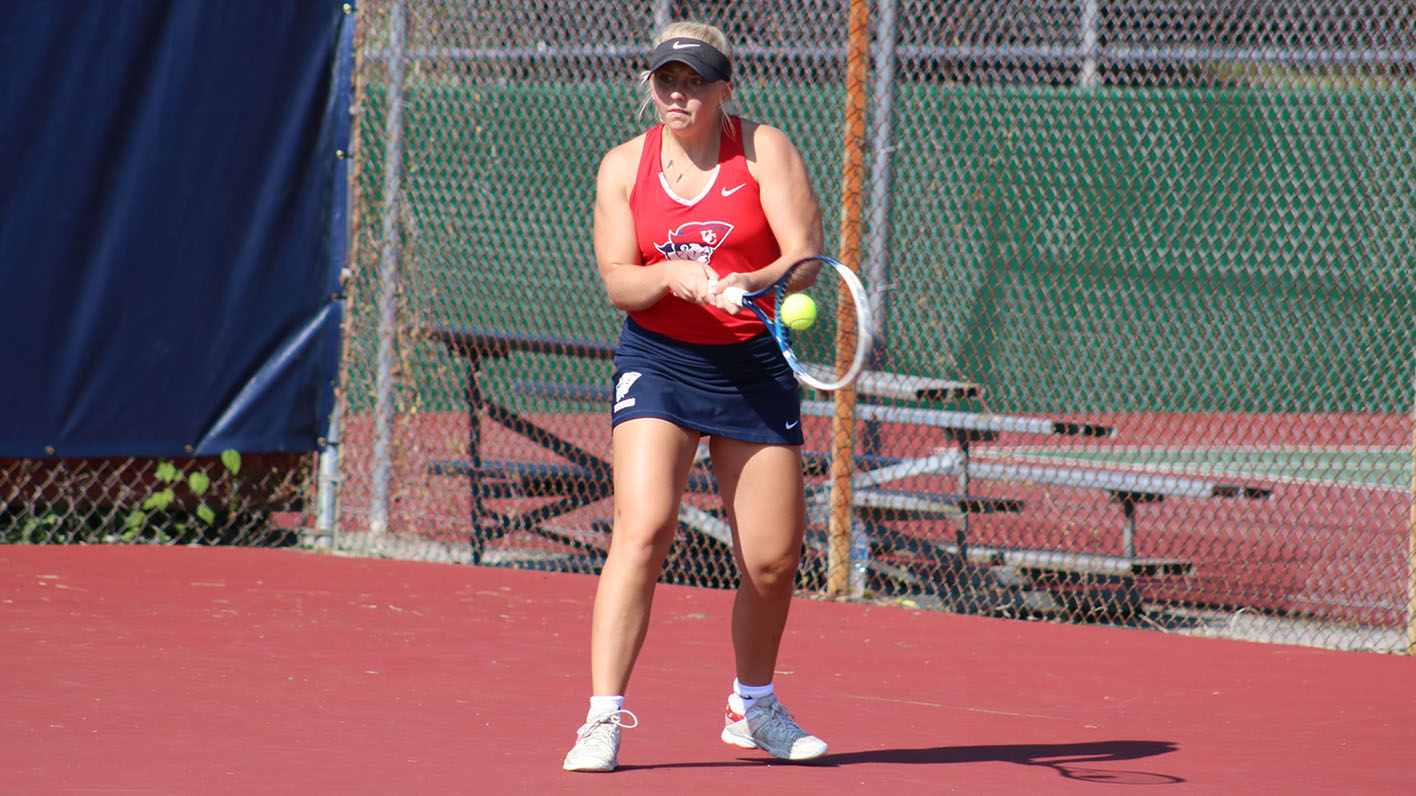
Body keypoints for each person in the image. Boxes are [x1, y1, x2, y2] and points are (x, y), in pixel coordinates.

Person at [561, 20, 830, 773]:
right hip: (661, 360)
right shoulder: (622, 167)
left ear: (723, 89)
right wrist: (671, 276)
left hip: (751, 362)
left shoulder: (765, 149)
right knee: (643, 528)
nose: (678, 94)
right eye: (666, 80)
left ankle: (754, 709)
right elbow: (619, 279)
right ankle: (601, 721)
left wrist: (753, 278)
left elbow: (804, 259)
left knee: (773, 562)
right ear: (650, 85)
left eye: (694, 82)